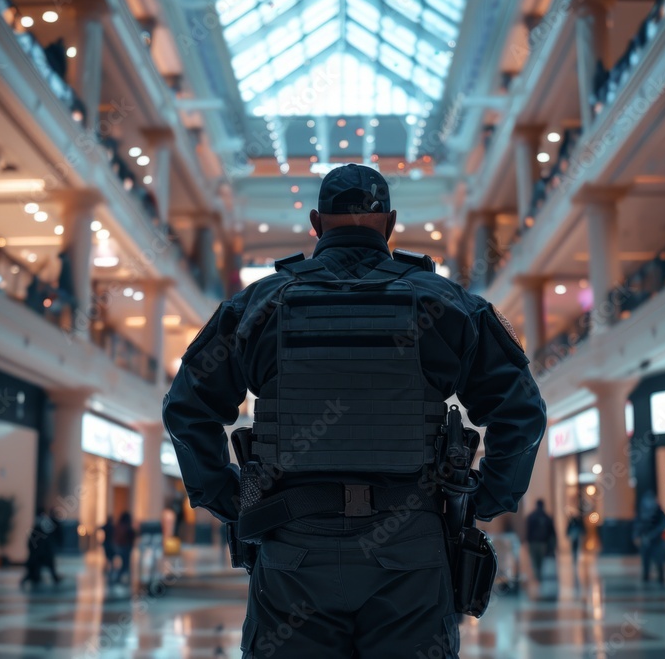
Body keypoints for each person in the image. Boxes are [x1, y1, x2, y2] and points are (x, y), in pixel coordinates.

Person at [163, 164, 547, 658]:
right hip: (410, 551)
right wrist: (484, 502)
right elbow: (522, 414)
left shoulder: (258, 305)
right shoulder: (446, 304)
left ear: (316, 223)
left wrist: (230, 501)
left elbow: (186, 409)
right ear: (389, 224)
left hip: (293, 550)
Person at [634, 491, 665, 584]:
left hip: (656, 541)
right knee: (646, 563)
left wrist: (653, 534)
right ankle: (646, 578)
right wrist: (636, 536)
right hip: (645, 541)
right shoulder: (642, 513)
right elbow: (637, 525)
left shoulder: (658, 512)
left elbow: (664, 523)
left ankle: (660, 579)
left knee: (659, 562)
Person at [525, 499, 556, 582]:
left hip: (535, 542)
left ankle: (538, 574)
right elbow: (551, 531)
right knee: (540, 559)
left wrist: (528, 540)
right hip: (542, 542)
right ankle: (539, 574)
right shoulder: (546, 517)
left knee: (535, 559)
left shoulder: (532, 516)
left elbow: (528, 530)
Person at [112, 511, 136, 584]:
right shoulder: (126, 527)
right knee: (125, 564)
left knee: (124, 564)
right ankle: (118, 577)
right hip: (125, 547)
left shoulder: (118, 525)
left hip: (119, 546)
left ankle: (118, 577)